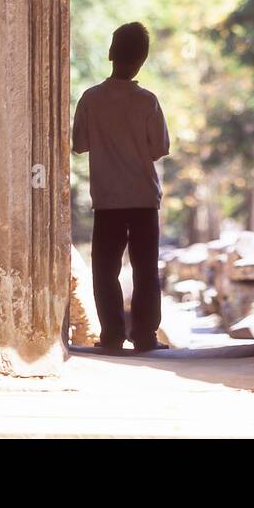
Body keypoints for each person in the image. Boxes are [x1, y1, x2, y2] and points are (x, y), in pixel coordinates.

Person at [72, 21, 170, 353]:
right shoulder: (148, 102)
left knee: (105, 270)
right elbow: (158, 149)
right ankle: (145, 336)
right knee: (145, 270)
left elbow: (80, 144)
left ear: (110, 53)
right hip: (143, 199)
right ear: (143, 59)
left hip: (107, 199)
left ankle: (112, 335)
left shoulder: (90, 100)